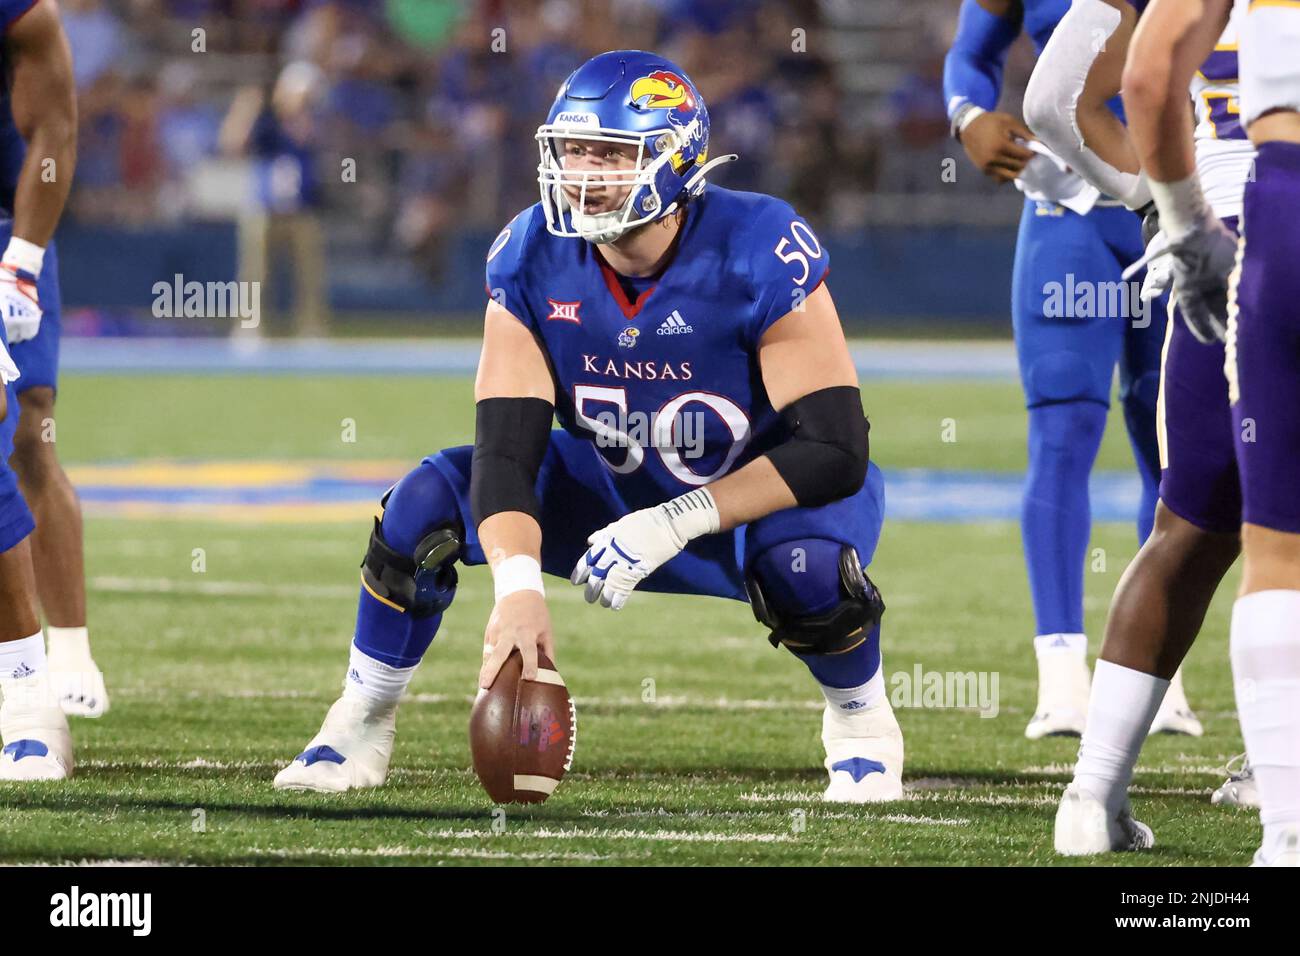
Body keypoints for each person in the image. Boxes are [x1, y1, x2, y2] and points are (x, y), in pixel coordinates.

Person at [275, 50, 904, 803]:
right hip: (617, 489)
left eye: (610, 152)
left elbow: (835, 449)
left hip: (756, 502)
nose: (582, 174)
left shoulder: (758, 245)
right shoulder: (533, 253)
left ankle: (862, 724)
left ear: (676, 161)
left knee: (804, 567)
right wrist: (516, 589)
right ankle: (361, 717)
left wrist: (680, 519)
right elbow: (508, 450)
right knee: (423, 505)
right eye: (572, 150)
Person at [1019, 0, 1259, 854]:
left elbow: (1053, 103)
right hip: (1282, 221)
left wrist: (1161, 200)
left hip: (1213, 242)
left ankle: (1091, 797)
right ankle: (1283, 777)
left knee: (1186, 532)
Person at [943, 0, 1191, 740]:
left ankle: (1162, 672)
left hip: (1176, 195)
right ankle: (1061, 681)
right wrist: (966, 115)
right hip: (1067, 205)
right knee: (1062, 432)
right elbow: (972, 50)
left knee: (1173, 442)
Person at [0, 0, 106, 719]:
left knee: (26, 430)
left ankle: (60, 655)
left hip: (6, 223)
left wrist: (23, 259)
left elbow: (54, 124)